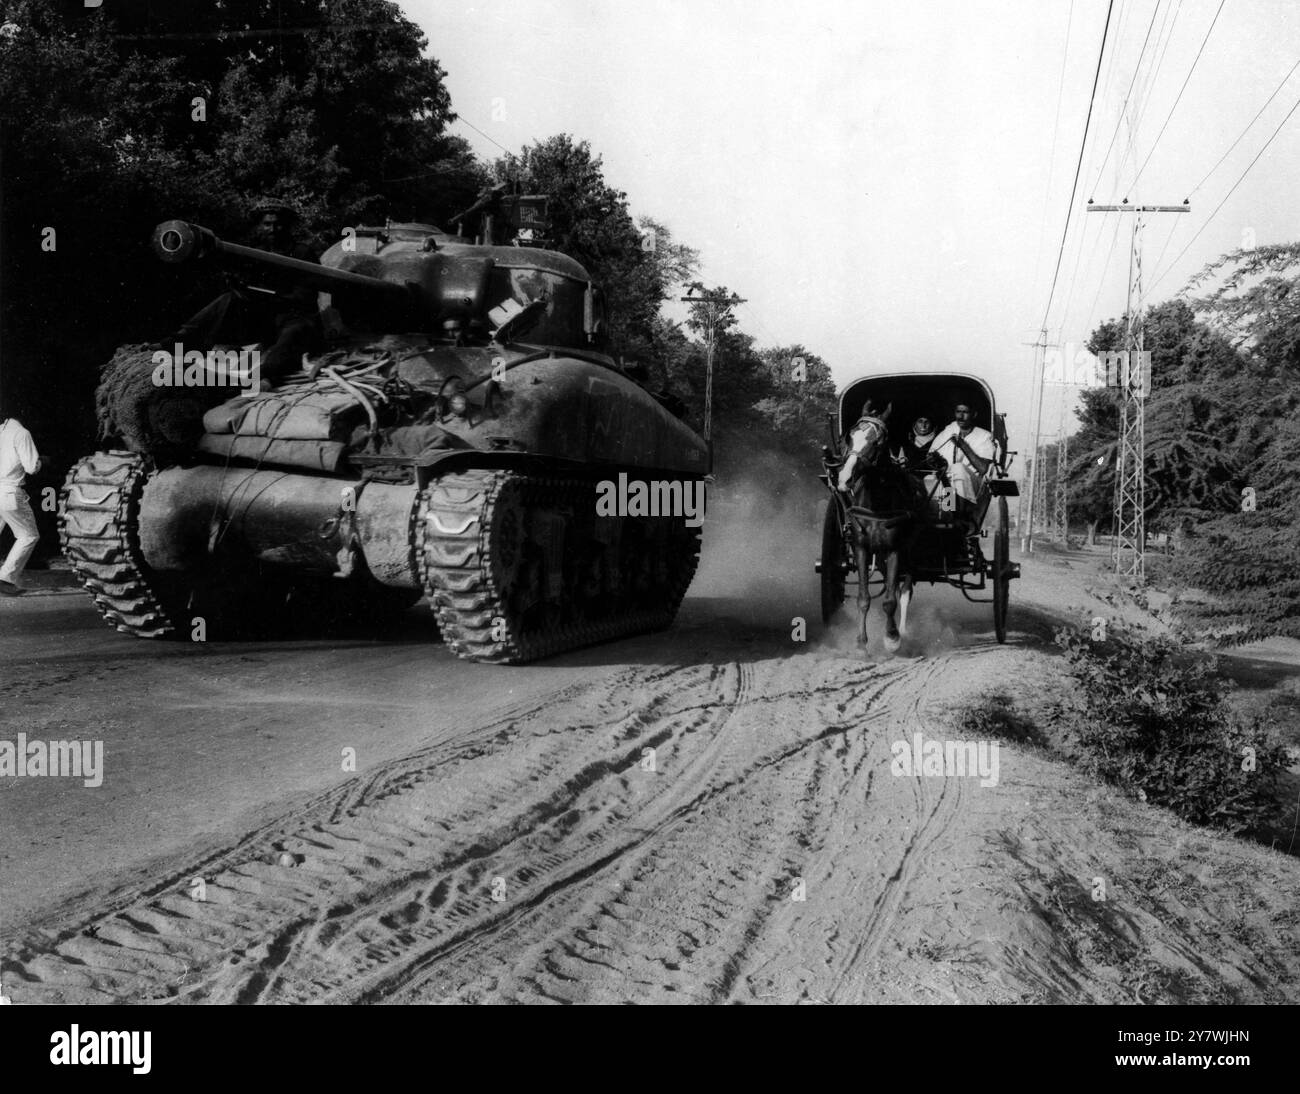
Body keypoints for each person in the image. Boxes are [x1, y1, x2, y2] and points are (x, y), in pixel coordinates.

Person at [169, 200, 327, 384]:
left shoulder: (302, 253)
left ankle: (264, 374)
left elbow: (305, 298)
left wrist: (266, 296)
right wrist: (240, 287)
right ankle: (178, 340)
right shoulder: (256, 253)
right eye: (267, 224)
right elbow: (248, 291)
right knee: (228, 299)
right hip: (266, 320)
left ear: (287, 226)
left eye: (278, 224)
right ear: (260, 226)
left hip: (293, 318)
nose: (273, 229)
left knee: (295, 332)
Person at [0, 413, 41, 596]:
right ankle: (6, 578)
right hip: (10, 491)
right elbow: (31, 467)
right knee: (28, 535)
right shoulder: (22, 433)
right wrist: (41, 462)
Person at [930, 402, 996, 506]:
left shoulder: (984, 436)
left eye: (965, 412)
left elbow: (983, 468)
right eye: (958, 412)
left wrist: (963, 445)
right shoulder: (950, 430)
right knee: (930, 479)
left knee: (958, 469)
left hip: (974, 486)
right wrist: (936, 461)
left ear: (974, 415)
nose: (960, 417)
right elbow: (931, 456)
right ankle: (948, 513)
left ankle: (961, 514)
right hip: (948, 481)